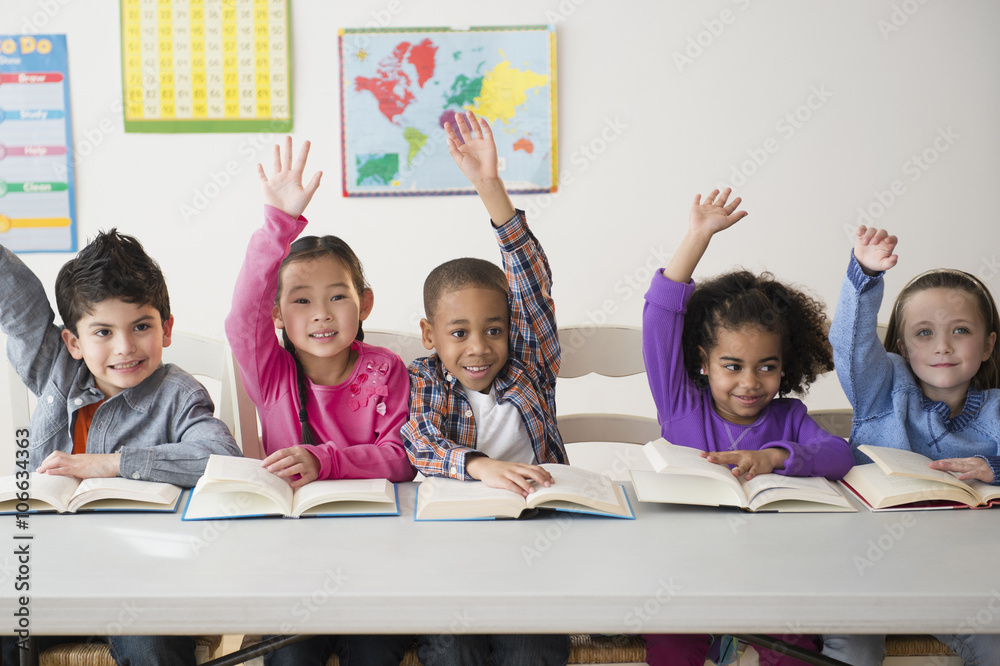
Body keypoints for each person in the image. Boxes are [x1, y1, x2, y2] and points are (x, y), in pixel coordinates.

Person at [0, 230, 241, 666]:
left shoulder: (178, 394)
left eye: (141, 326)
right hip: (53, 575)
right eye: (103, 332)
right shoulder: (57, 371)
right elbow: (16, 301)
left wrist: (110, 464)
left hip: (145, 582)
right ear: (73, 342)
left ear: (166, 329)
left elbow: (221, 458)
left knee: (149, 643)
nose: (125, 347)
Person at [641, 188, 853, 666]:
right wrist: (697, 237)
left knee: (796, 646)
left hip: (771, 577)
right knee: (672, 647)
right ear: (703, 361)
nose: (750, 383)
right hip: (686, 576)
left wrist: (776, 457)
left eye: (767, 367)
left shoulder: (789, 418)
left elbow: (840, 456)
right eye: (732, 366)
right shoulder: (681, 405)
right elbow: (659, 317)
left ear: (786, 365)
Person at [226, 137, 415, 665]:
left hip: (376, 554)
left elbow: (401, 457)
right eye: (302, 301)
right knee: (289, 657)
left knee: (373, 653)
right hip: (293, 559)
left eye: (338, 296)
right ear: (278, 317)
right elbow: (242, 317)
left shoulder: (385, 370)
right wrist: (278, 223)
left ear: (364, 303)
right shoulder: (272, 373)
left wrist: (323, 459)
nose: (322, 314)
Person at [402, 110, 569, 665]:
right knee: (451, 646)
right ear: (430, 335)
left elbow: (529, 281)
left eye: (493, 329)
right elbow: (420, 442)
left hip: (532, 543)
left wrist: (490, 188)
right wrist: (482, 466)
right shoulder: (426, 379)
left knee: (531, 647)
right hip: (452, 550)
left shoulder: (530, 366)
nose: (479, 347)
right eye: (459, 332)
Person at [822, 225, 1000, 665]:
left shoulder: (996, 410)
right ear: (902, 345)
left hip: (960, 578)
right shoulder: (882, 389)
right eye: (924, 333)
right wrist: (864, 275)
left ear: (988, 344)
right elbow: (848, 345)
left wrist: (993, 467)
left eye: (961, 330)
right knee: (853, 650)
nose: (942, 345)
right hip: (866, 569)